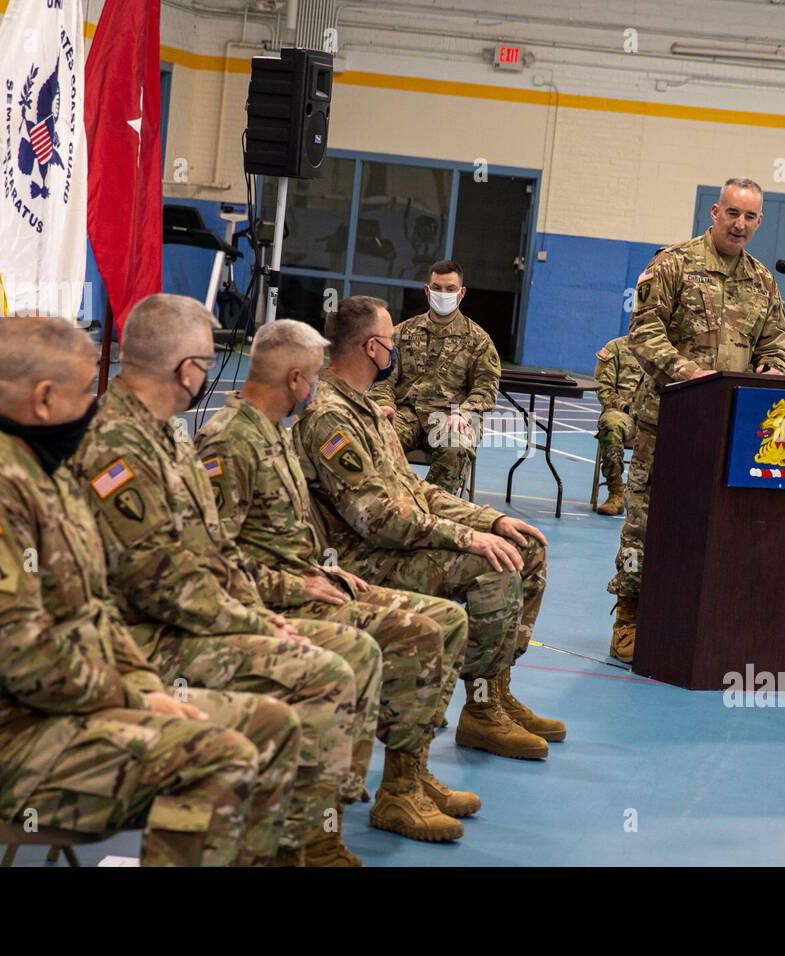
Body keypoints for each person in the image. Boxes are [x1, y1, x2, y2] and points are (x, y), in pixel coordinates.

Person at [0, 316, 301, 866]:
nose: (94, 405)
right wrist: (136, 700)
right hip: (3, 743)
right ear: (43, 400)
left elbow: (94, 610)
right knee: (218, 757)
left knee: (274, 724)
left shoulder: (40, 469)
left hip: (66, 710)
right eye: (86, 391)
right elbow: (19, 657)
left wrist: (144, 683)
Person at [71, 294, 377, 867]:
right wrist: (254, 621)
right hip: (139, 642)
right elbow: (159, 585)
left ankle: (300, 838)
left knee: (342, 653)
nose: (210, 374)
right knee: (325, 674)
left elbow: (213, 555)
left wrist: (260, 617)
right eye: (208, 362)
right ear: (186, 370)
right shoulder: (118, 446)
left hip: (182, 625)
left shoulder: (164, 436)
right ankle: (291, 846)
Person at [196, 318, 479, 842]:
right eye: (317, 374)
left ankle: (405, 780)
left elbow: (276, 537)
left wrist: (321, 571)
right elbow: (212, 562)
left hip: (308, 580)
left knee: (447, 619)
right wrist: (296, 586)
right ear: (297, 379)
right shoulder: (230, 443)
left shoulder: (270, 433)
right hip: (268, 605)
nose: (322, 384)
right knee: (412, 632)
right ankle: (329, 823)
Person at [295, 295, 566, 761]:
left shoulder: (367, 410)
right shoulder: (331, 417)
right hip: (359, 557)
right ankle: (477, 715)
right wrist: (464, 537)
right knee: (493, 569)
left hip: (393, 543)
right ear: (371, 347)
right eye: (391, 341)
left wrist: (491, 519)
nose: (395, 348)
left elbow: (418, 494)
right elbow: (378, 519)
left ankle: (491, 697)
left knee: (524, 548)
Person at [608, 177, 785, 664]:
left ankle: (699, 615)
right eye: (732, 213)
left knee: (716, 524)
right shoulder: (673, 264)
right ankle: (628, 616)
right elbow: (643, 333)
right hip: (668, 418)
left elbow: (775, 342)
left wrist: (773, 367)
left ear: (759, 222)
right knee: (645, 523)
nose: (740, 224)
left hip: (732, 428)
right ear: (714, 212)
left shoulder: (762, 280)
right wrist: (693, 375)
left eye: (750, 217)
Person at [367, 260, 501, 495]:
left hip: (451, 417)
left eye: (450, 289)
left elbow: (486, 388)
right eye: (437, 288)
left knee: (456, 446)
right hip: (405, 413)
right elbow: (382, 378)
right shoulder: (401, 333)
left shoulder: (478, 340)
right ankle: (388, 502)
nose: (443, 294)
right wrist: (384, 404)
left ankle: (434, 509)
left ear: (462, 293)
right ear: (427, 290)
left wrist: (465, 413)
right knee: (373, 435)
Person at [592, 334, 644, 516]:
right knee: (611, 424)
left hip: (659, 415)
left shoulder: (672, 351)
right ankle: (616, 493)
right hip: (625, 414)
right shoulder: (616, 347)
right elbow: (604, 389)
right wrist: (627, 407)